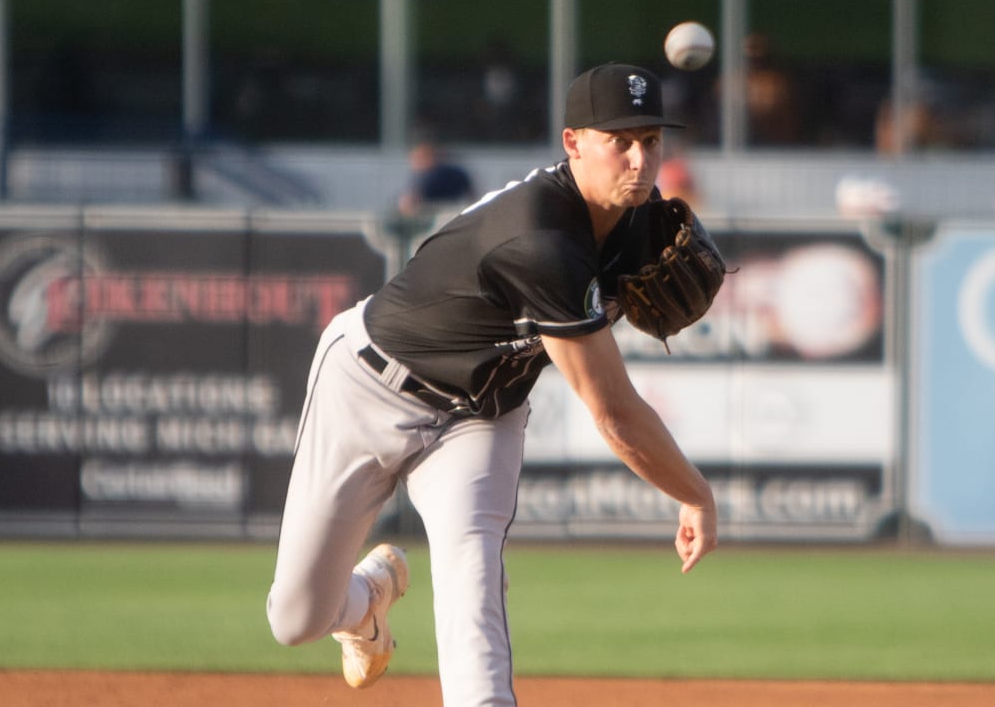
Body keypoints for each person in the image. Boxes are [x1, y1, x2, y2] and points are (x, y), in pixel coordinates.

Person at [266, 63, 720, 706]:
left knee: (471, 585)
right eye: (619, 140)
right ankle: (366, 600)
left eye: (650, 140)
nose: (639, 160)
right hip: (366, 385)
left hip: (479, 416)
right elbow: (613, 410)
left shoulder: (637, 217)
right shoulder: (542, 237)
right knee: (295, 619)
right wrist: (695, 494)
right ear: (573, 142)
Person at [397, 133, 476, 216]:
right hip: (450, 214)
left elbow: (410, 201)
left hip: (435, 216)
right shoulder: (457, 172)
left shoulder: (433, 176)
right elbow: (472, 196)